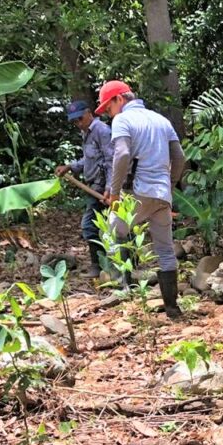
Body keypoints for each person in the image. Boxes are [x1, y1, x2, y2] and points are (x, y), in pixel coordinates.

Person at [95, 80, 186, 319]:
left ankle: (125, 291)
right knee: (165, 250)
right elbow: (179, 158)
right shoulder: (161, 120)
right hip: (161, 195)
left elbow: (123, 153)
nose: (108, 112)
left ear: (119, 99)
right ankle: (172, 309)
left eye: (108, 107)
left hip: (137, 192)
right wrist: (170, 185)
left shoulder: (122, 120)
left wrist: (114, 193)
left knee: (111, 233)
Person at [55, 100, 113, 278]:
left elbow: (111, 161)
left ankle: (100, 266)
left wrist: (110, 188)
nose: (78, 124)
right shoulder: (86, 133)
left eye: (80, 119)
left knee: (90, 226)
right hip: (93, 187)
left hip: (102, 189)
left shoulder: (102, 131)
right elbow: (90, 160)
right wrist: (71, 166)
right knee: (103, 227)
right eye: (74, 121)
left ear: (89, 113)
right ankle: (105, 266)